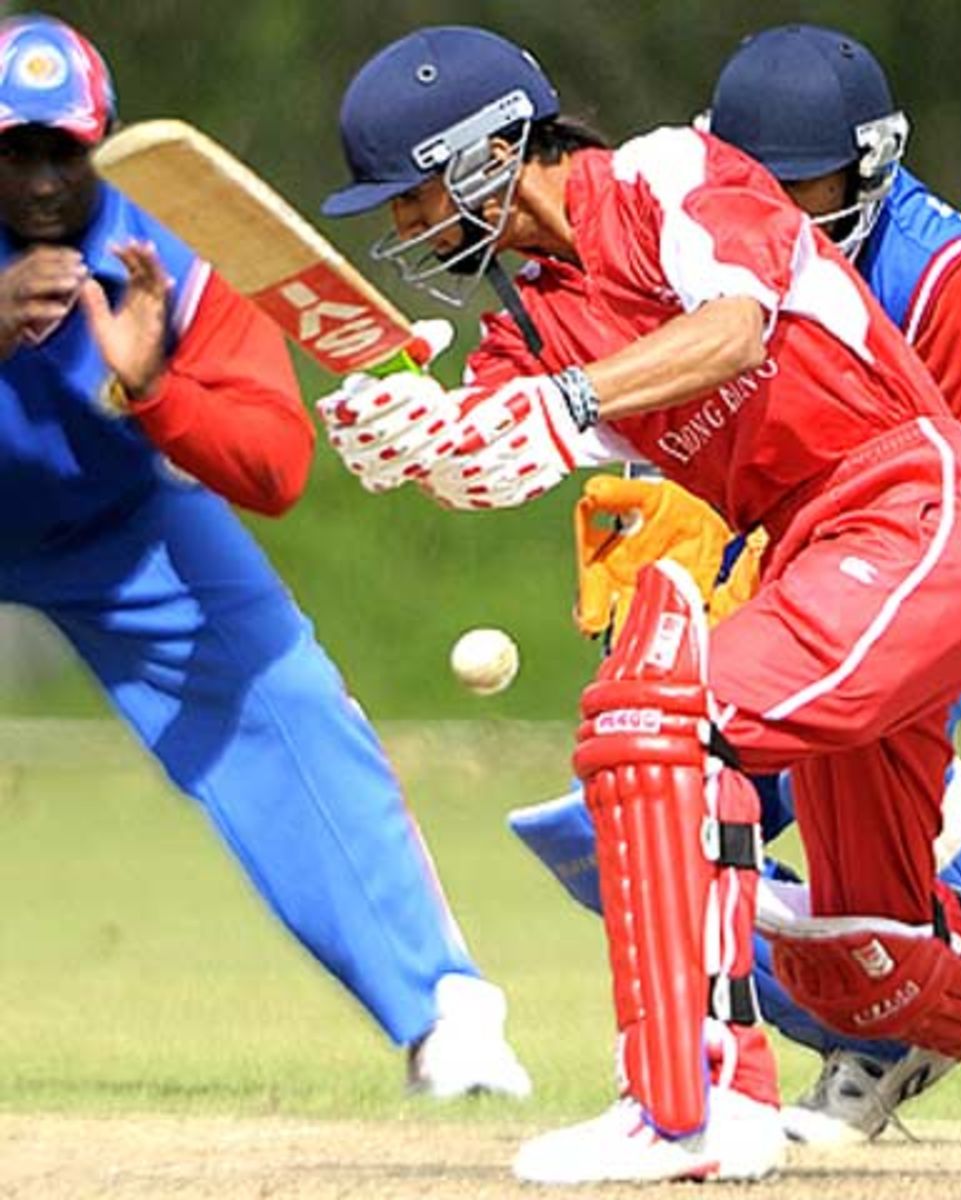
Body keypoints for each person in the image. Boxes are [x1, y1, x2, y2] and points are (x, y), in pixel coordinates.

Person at [317, 25, 961, 1183]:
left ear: (489, 153)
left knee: (663, 717)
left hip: (915, 500)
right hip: (816, 551)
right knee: (860, 961)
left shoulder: (667, 175)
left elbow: (732, 330)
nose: (405, 227)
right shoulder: (527, 324)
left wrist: (562, 407)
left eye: (413, 196)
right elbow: (498, 450)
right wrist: (417, 438)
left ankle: (694, 1102)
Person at [508, 22, 961, 1149]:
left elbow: (956, 462)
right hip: (809, 560)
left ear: (871, 165)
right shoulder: (711, 220)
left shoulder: (943, 271)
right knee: (616, 821)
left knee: (703, 769)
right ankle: (889, 1026)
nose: (783, 206)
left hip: (937, 553)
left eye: (806, 184)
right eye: (764, 180)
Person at [0, 13, 529, 1103]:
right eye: (16, 154)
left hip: (118, 531)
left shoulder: (169, 251)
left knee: (286, 697)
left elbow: (277, 465)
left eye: (67, 151)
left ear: (104, 143)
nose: (44, 181)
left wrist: (155, 389)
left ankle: (444, 1014)